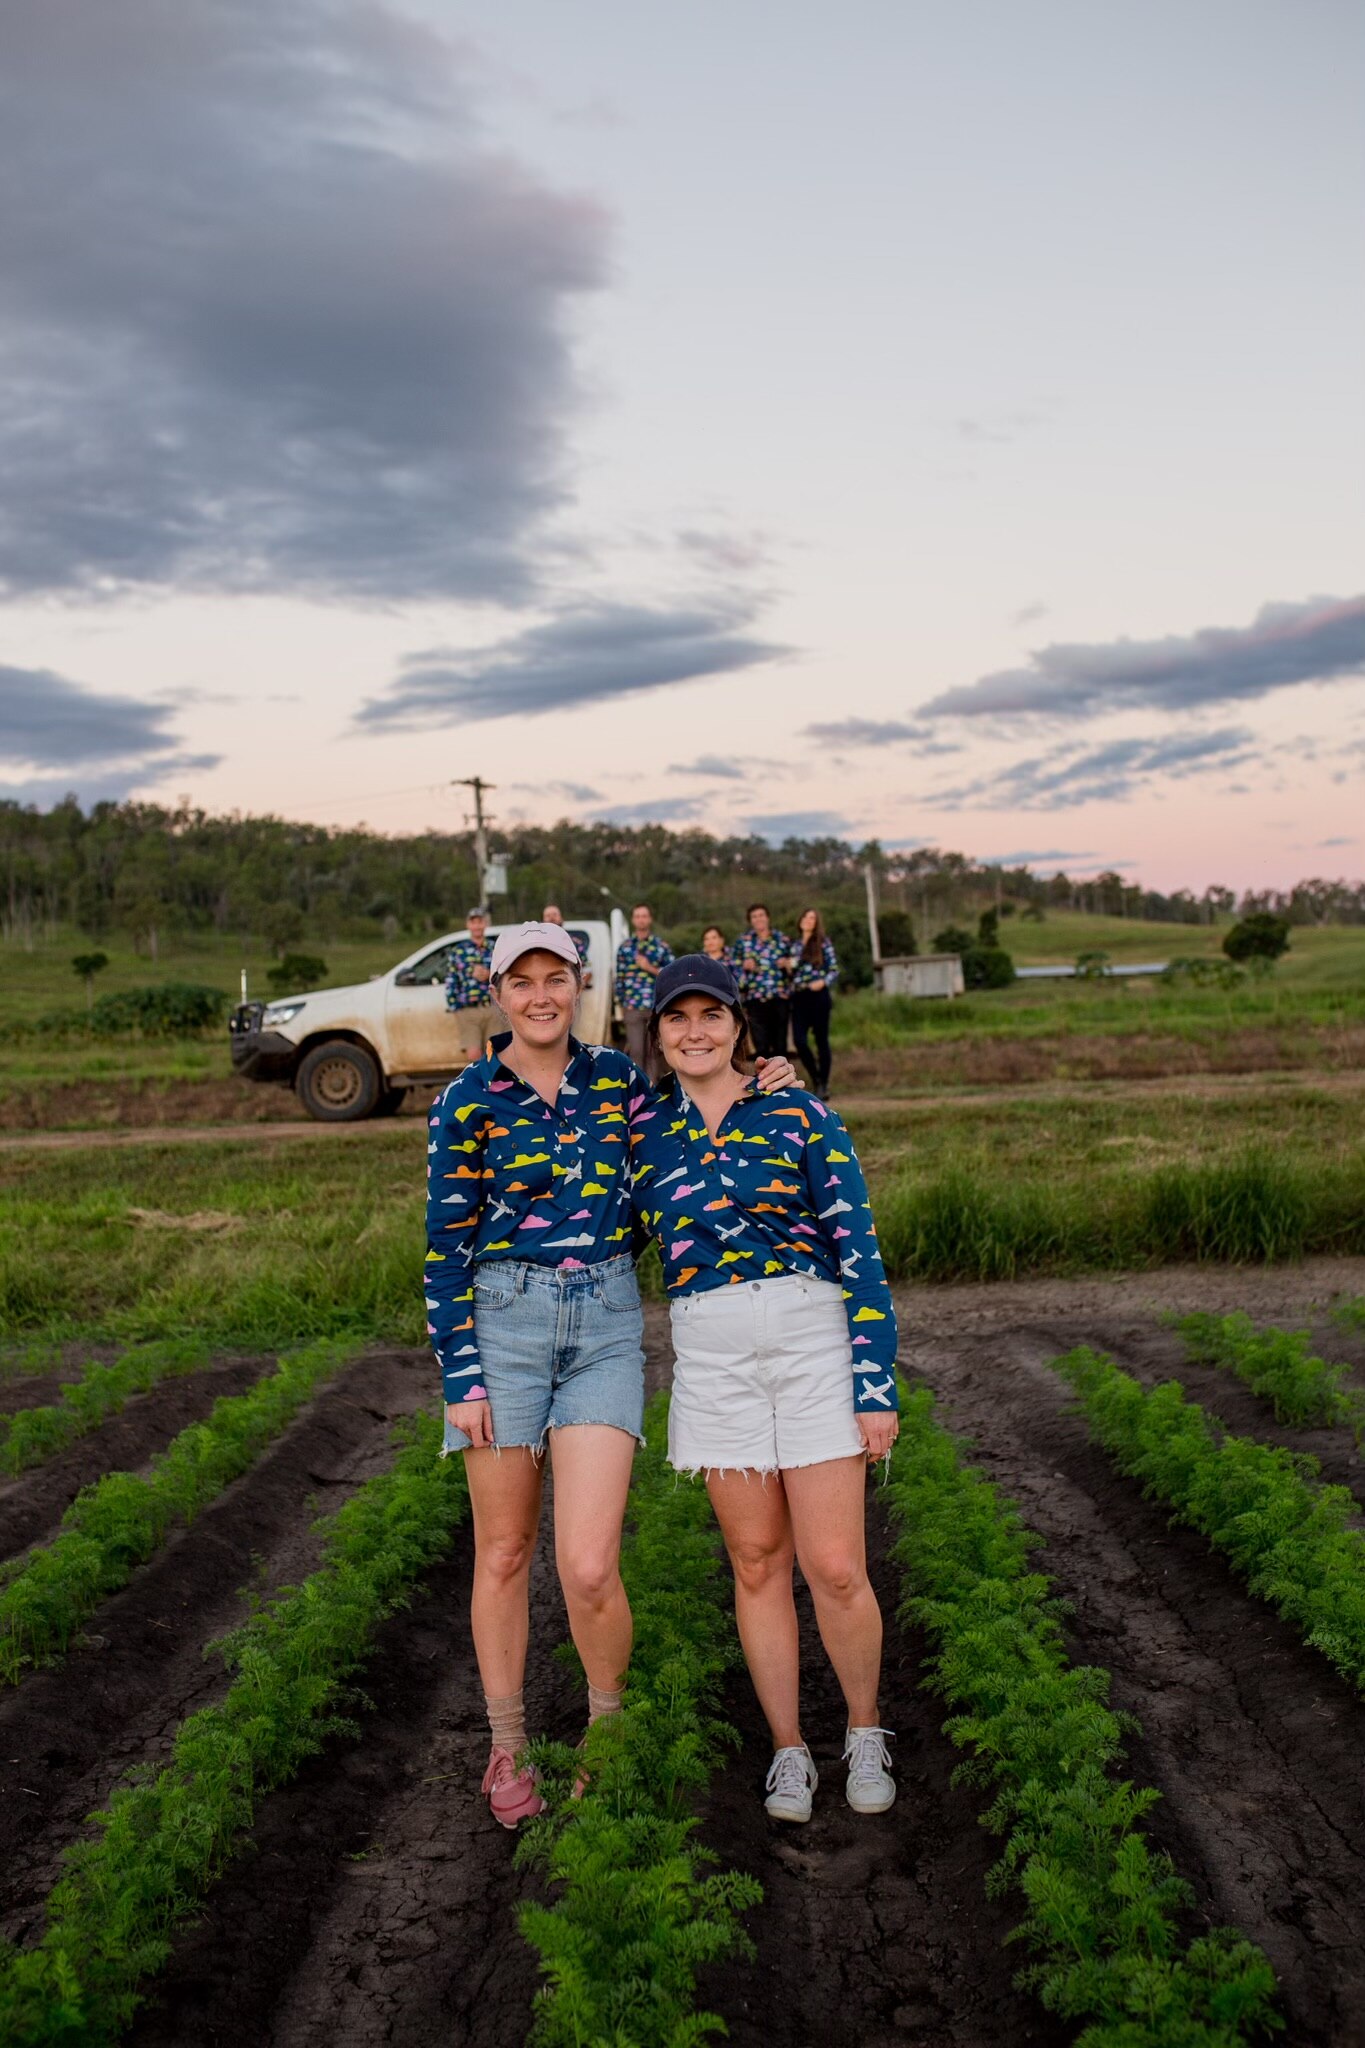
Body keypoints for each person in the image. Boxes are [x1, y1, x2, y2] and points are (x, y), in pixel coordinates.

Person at [426, 922, 796, 1829]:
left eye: (557, 978)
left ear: (580, 986)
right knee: (504, 1552)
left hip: (601, 1323)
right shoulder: (466, 1099)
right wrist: (461, 1376)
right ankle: (506, 1741)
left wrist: (766, 1081)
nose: (541, 996)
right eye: (524, 982)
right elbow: (443, 1250)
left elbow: (695, 1122)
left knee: (589, 1564)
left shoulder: (620, 1084)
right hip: (501, 1325)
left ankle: (607, 1728)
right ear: (498, 991)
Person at [630, 953, 899, 1825]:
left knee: (834, 1565)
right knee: (755, 1564)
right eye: (677, 1018)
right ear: (658, 1033)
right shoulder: (647, 1134)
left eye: (711, 1015)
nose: (695, 1031)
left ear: (740, 1026)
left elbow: (858, 1248)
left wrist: (873, 1381)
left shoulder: (799, 1112)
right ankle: (788, 1749)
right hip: (711, 1355)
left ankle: (863, 1729)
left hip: (811, 1342)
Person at [614, 902, 673, 1076]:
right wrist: (623, 1003)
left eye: (644, 916)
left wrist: (650, 967)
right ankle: (638, 1089)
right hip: (632, 1006)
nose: (641, 920)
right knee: (637, 1050)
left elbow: (671, 975)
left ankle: (653, 1088)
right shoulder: (625, 947)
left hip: (656, 1006)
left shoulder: (661, 946)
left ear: (650, 919)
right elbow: (620, 978)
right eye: (638, 916)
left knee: (654, 1051)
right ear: (633, 920)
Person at [732, 902, 793, 1059]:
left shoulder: (782, 939)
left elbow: (795, 963)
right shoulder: (743, 941)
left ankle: (782, 1081)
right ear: (750, 920)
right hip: (755, 998)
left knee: (780, 1045)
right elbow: (733, 964)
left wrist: (788, 963)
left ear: (768, 917)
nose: (758, 919)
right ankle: (764, 1082)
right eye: (754, 916)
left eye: (761, 915)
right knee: (761, 1045)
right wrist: (744, 965)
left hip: (780, 997)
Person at [789, 908, 838, 1098]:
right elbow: (791, 972)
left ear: (817, 923)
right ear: (800, 920)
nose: (808, 921)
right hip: (799, 996)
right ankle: (816, 1078)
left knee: (821, 1040)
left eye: (813, 918)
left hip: (818, 996)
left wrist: (823, 981)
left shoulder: (823, 943)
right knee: (799, 1041)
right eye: (806, 917)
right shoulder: (793, 946)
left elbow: (834, 969)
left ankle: (823, 1084)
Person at [443, 906, 495, 1060]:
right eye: (474, 922)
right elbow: (451, 980)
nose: (477, 926)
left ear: (485, 924)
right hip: (468, 1010)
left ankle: (491, 1084)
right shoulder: (459, 951)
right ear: (468, 925)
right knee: (474, 1055)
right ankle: (478, 1084)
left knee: (493, 1054)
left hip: (492, 1007)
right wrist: (455, 1007)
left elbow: (507, 977)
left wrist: (489, 974)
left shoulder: (494, 948)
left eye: (480, 922)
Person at [542, 903, 592, 986]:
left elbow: (588, 971)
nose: (551, 918)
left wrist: (576, 990)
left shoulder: (575, 943)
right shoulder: (536, 945)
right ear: (542, 921)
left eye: (555, 914)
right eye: (548, 915)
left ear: (562, 919)